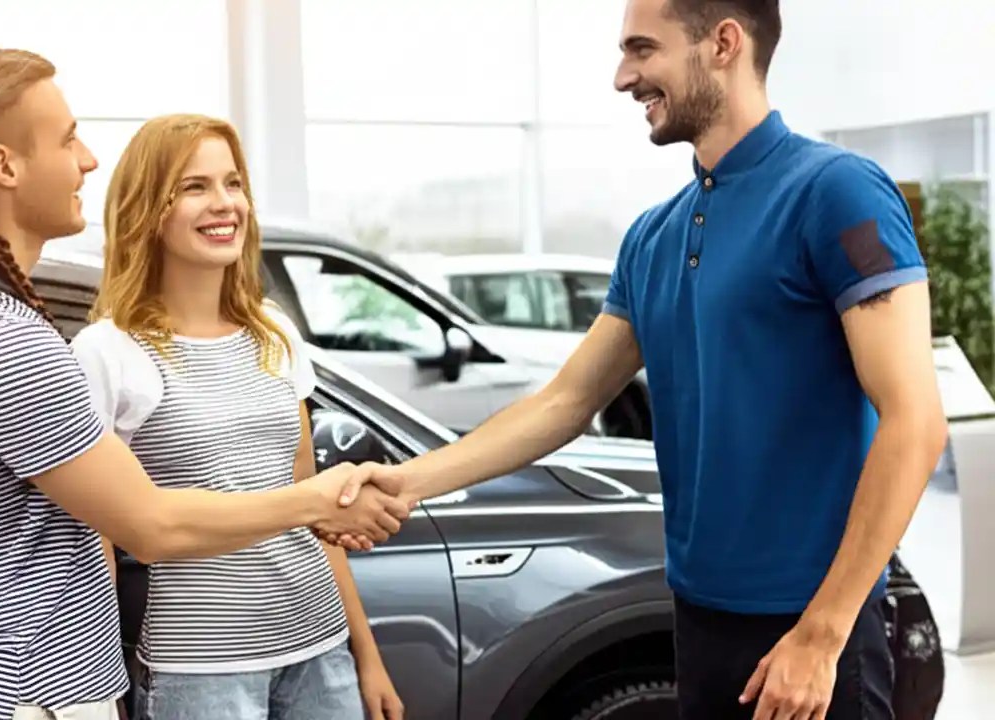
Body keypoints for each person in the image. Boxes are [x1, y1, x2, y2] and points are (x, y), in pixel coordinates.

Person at [334, 1, 949, 718]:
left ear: (723, 43)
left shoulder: (834, 191)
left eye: (642, 50)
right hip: (698, 618)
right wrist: (407, 482)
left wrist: (823, 634)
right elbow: (564, 403)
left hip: (813, 631)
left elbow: (915, 421)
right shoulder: (651, 236)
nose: (624, 77)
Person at [0, 49, 410, 720]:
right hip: (31, 697)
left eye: (231, 183)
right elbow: (150, 525)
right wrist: (315, 503)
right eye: (69, 138)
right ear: (4, 165)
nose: (88, 160)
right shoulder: (3, 340)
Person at [69, 114, 404, 720]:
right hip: (200, 669)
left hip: (318, 647)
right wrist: (100, 691)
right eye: (194, 187)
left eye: (232, 183)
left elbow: (312, 504)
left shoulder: (274, 331)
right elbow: (96, 540)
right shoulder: (108, 351)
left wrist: (365, 654)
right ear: (149, 209)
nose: (224, 204)